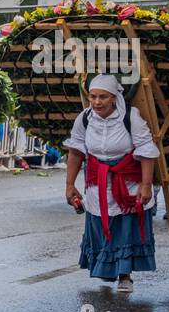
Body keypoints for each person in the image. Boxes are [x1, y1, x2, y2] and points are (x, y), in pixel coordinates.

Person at [64, 74, 158, 293]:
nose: (97, 102)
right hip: (97, 181)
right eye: (93, 97)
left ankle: (125, 276)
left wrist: (145, 185)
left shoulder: (130, 117)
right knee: (99, 225)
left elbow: (146, 151)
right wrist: (69, 185)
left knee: (124, 228)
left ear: (114, 98)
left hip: (127, 182)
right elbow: (76, 152)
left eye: (103, 97)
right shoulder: (85, 118)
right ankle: (105, 268)